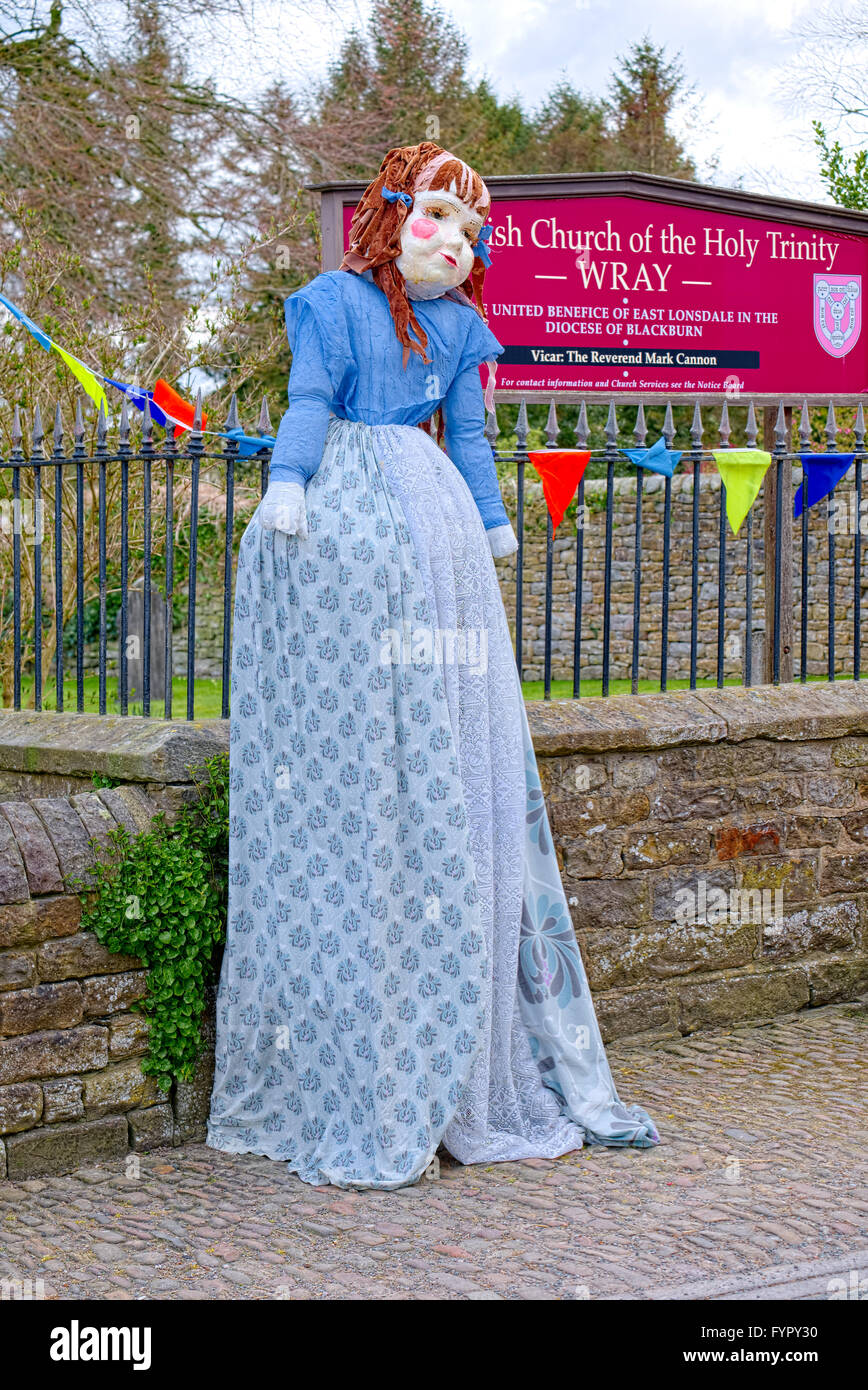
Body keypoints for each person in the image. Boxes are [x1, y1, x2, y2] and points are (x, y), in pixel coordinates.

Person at [206, 141, 659, 1189]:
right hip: (348, 522)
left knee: (443, 727)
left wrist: (494, 519)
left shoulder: (458, 330)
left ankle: (457, 1025)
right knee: (357, 736)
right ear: (390, 217)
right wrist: (290, 480)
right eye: (435, 222)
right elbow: (311, 399)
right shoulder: (332, 302)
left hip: (438, 533)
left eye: (469, 233)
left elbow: (468, 435)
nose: (451, 245)